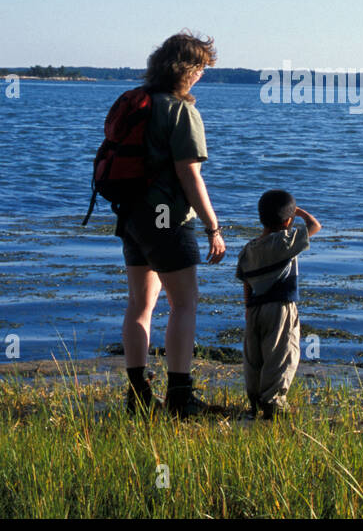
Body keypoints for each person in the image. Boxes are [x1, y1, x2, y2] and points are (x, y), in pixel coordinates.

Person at [116, 31, 226, 418]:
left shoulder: (134, 102)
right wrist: (213, 226)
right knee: (184, 303)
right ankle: (180, 396)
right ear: (187, 69)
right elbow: (189, 173)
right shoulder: (181, 111)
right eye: (200, 68)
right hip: (165, 217)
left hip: (130, 216)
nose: (202, 76)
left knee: (139, 305)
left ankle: (137, 394)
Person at [236, 190, 320, 419]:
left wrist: (247, 307)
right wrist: (299, 212)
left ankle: (254, 400)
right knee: (282, 354)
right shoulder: (286, 241)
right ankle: (274, 402)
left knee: (255, 357)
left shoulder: (249, 249)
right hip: (281, 307)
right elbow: (314, 226)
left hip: (254, 308)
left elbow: (245, 281)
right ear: (288, 220)